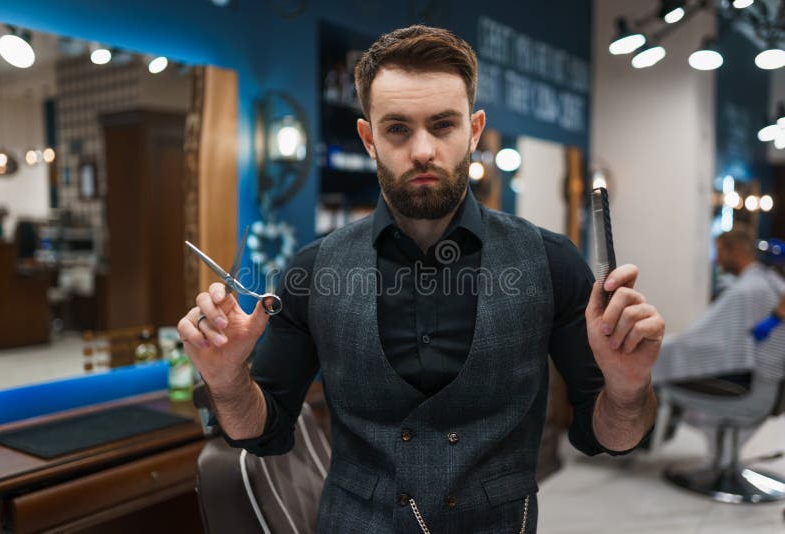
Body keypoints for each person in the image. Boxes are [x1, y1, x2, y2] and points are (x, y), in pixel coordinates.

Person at [177, 25, 664, 533]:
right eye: (398, 129)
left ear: (474, 130)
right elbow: (265, 433)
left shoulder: (550, 262)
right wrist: (228, 380)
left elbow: (609, 436)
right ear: (368, 137)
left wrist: (628, 388)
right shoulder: (312, 272)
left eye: (443, 125)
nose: (424, 150)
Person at [653, 227, 785, 387]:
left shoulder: (747, 290)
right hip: (766, 375)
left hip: (756, 379)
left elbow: (704, 340)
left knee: (661, 361)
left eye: (720, 251)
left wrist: (668, 347)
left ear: (736, 251)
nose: (717, 259)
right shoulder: (764, 280)